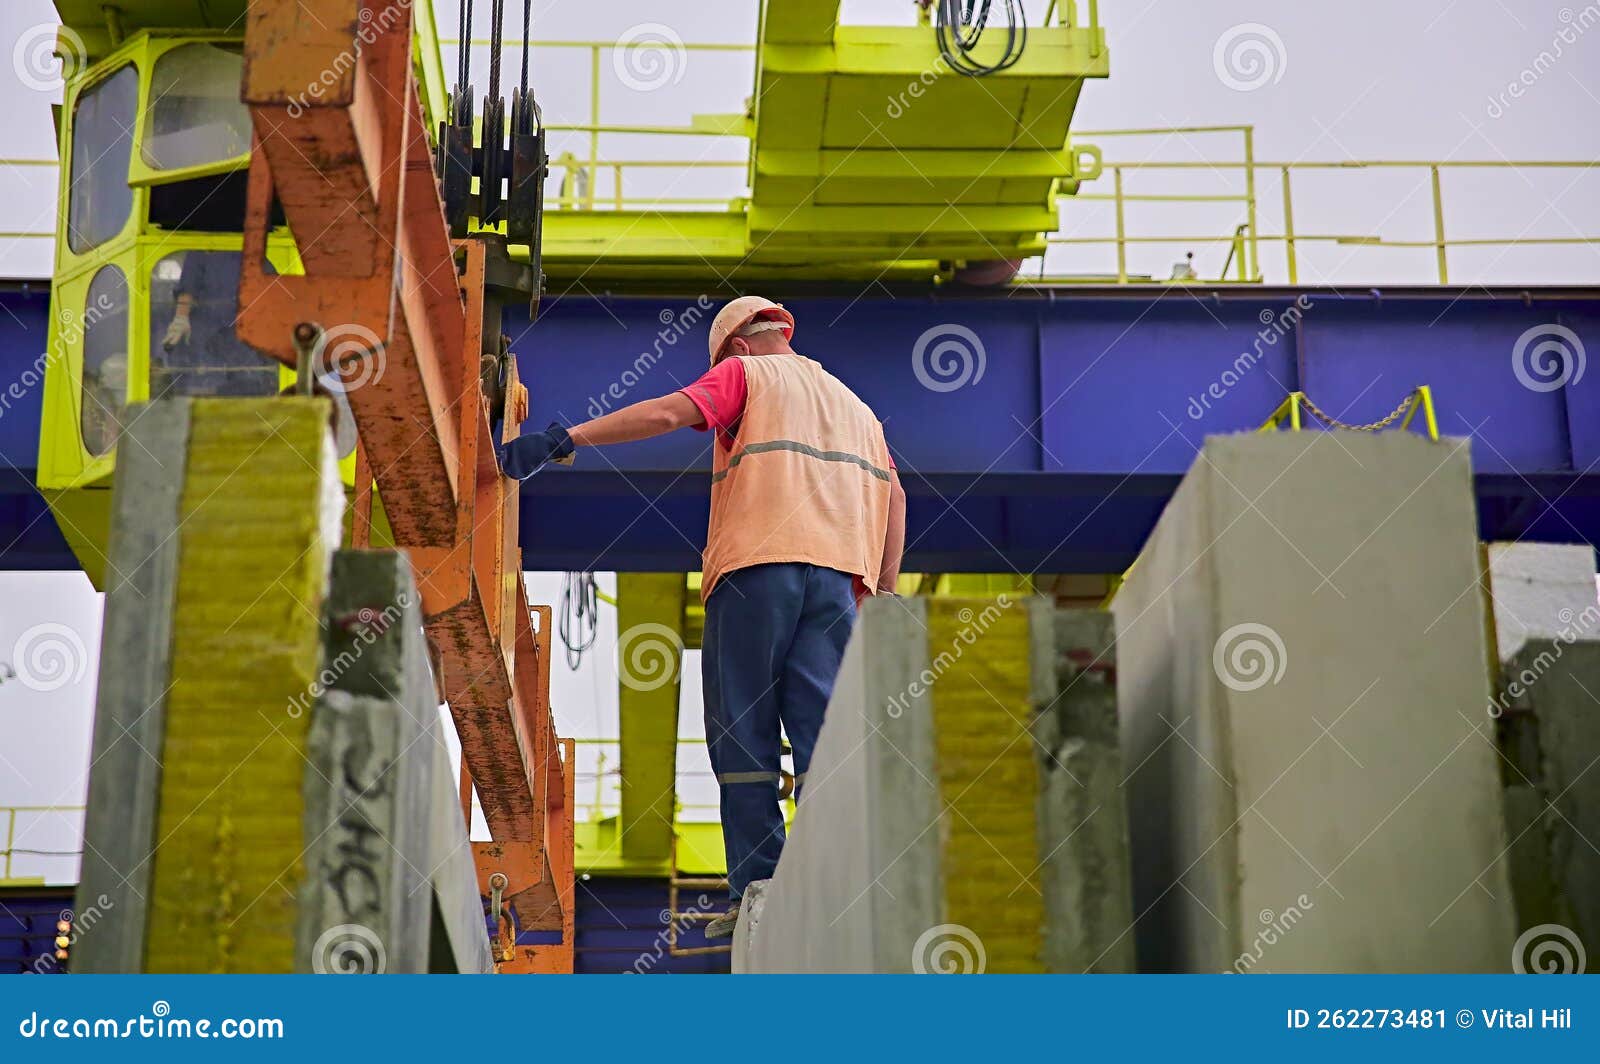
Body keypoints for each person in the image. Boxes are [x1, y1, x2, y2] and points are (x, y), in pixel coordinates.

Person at [497, 295, 906, 938]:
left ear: (736, 346)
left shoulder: (747, 374)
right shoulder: (856, 408)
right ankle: (843, 876)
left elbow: (665, 411)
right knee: (823, 734)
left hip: (757, 569)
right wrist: (880, 591)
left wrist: (563, 438)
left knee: (742, 727)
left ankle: (758, 885)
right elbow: (895, 496)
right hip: (836, 582)